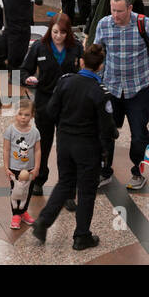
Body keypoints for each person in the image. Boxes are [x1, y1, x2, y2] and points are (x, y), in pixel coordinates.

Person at [30, 43, 114, 251]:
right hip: (87, 146)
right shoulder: (100, 92)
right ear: (101, 67)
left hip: (65, 141)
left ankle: (43, 222)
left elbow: (51, 111)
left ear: (81, 62)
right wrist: (105, 149)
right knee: (86, 191)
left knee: (65, 183)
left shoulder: (65, 81)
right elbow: (107, 129)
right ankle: (81, 236)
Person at [93, 0, 149, 190]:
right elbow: (97, 56)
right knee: (106, 132)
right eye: (113, 10)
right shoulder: (104, 25)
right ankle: (105, 171)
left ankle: (137, 171)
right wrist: (96, 84)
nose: (115, 15)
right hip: (112, 88)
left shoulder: (146, 24)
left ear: (130, 8)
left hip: (139, 89)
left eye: (120, 11)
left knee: (139, 133)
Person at [22, 13, 83, 196]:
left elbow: (84, 71)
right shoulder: (39, 47)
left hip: (68, 105)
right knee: (44, 144)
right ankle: (39, 179)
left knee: (67, 148)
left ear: (68, 33)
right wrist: (28, 78)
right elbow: (24, 70)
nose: (58, 36)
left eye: (62, 33)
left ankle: (68, 190)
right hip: (45, 103)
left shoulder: (76, 48)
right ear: (50, 30)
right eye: (55, 32)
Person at [4, 99, 41, 229]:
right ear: (16, 114)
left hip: (29, 169)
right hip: (15, 168)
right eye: (20, 114)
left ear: (32, 115)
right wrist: (6, 167)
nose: (23, 118)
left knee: (27, 192)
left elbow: (37, 150)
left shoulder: (35, 132)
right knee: (15, 191)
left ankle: (23, 211)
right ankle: (16, 214)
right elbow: (6, 149)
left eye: (27, 115)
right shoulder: (10, 130)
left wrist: (36, 167)